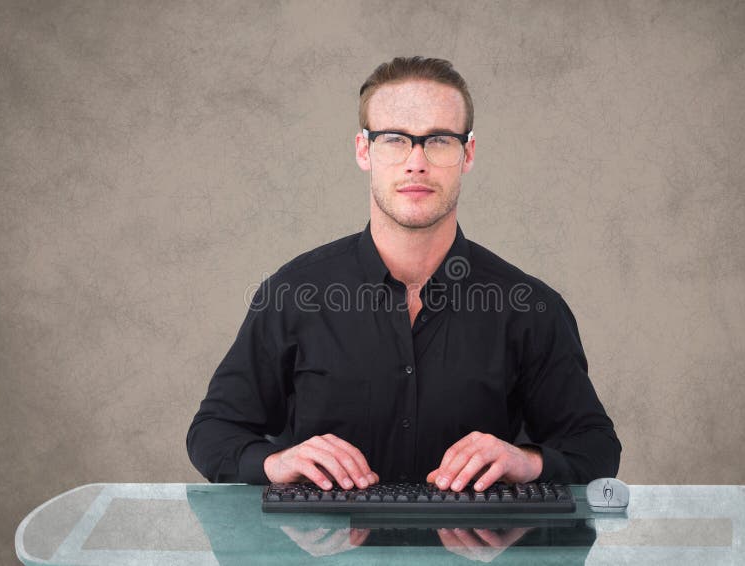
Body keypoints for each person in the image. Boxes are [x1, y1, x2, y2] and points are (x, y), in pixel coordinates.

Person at [187, 56, 621, 493]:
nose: (417, 162)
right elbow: (212, 433)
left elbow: (595, 447)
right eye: (395, 139)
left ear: (467, 153)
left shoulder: (531, 308)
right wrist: (276, 463)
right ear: (364, 150)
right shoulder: (290, 294)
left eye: (439, 140)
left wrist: (527, 461)